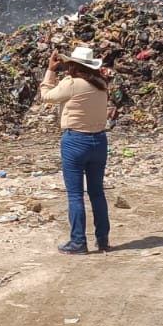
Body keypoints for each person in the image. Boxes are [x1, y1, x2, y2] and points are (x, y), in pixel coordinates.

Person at [40, 45, 115, 254]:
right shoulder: (101, 84)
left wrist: (51, 71)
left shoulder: (72, 83)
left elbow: (46, 96)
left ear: (73, 65)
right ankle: (102, 239)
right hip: (99, 142)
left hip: (76, 141)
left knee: (75, 194)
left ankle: (78, 242)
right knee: (97, 193)